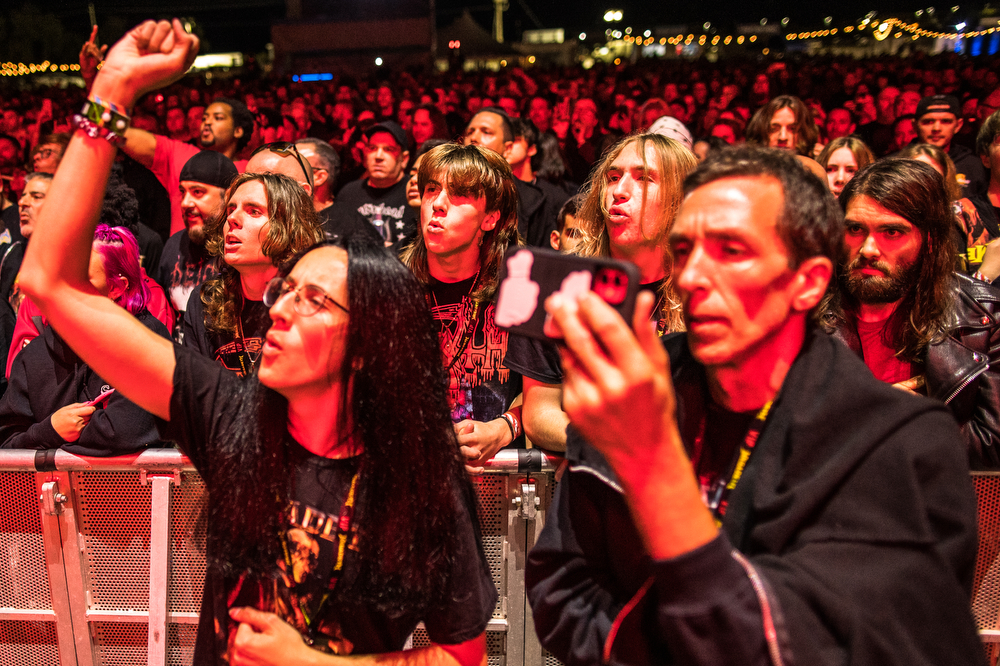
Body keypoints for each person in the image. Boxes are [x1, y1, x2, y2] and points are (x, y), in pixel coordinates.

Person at [20, 19, 495, 666]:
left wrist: (315, 665)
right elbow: (48, 280)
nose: (281, 312)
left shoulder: (420, 475)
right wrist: (110, 90)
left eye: (313, 299)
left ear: (369, 345)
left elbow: (461, 653)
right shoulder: (234, 417)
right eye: (284, 293)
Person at [526, 145, 982, 665]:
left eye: (731, 251)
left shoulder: (898, 442)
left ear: (807, 282)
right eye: (684, 250)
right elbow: (557, 587)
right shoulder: (644, 382)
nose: (694, 276)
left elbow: (814, 646)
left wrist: (652, 461)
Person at [504, 133, 696, 452]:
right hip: (591, 487)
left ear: (681, 198)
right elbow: (540, 415)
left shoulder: (704, 291)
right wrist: (619, 446)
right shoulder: (558, 287)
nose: (618, 191)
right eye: (613, 177)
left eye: (644, 178)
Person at [820, 157, 1000, 468]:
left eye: (891, 232)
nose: (868, 249)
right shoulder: (802, 311)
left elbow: (993, 449)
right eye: (854, 228)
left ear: (929, 240)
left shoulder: (982, 317)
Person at [400, 143, 523, 473]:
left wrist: (502, 428)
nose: (437, 204)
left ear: (490, 218)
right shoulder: (392, 287)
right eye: (431, 189)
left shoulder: (520, 291)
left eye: (458, 194)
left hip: (496, 479)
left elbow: (547, 393)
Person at [0, 225, 169, 455]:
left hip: (131, 490)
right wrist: (50, 430)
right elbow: (6, 444)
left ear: (116, 287)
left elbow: (122, 433)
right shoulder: (33, 358)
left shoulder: (148, 339)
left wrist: (44, 440)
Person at [181, 171, 322, 376]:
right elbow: (194, 390)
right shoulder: (206, 300)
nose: (232, 219)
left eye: (254, 211)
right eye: (230, 209)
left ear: (289, 227)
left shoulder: (310, 303)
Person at [157, 151, 236, 338]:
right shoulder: (174, 245)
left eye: (197, 192)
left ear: (228, 196)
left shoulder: (238, 249)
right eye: (183, 193)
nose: (185, 203)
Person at [462, 107, 550, 247]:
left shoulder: (533, 202)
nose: (474, 138)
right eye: (469, 132)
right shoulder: (445, 190)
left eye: (486, 132)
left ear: (507, 148)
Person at [332, 121, 416, 247]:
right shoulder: (348, 193)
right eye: (372, 148)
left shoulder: (415, 192)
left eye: (388, 149)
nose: (378, 156)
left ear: (404, 159)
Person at [915, 94, 989, 197]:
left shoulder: (973, 165)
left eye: (945, 121)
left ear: (958, 125)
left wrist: (972, 204)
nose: (936, 128)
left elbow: (989, 206)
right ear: (915, 125)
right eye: (928, 122)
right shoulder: (897, 162)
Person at [745, 95, 819, 157]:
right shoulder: (746, 172)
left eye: (792, 129)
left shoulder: (815, 170)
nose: (782, 137)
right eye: (773, 129)